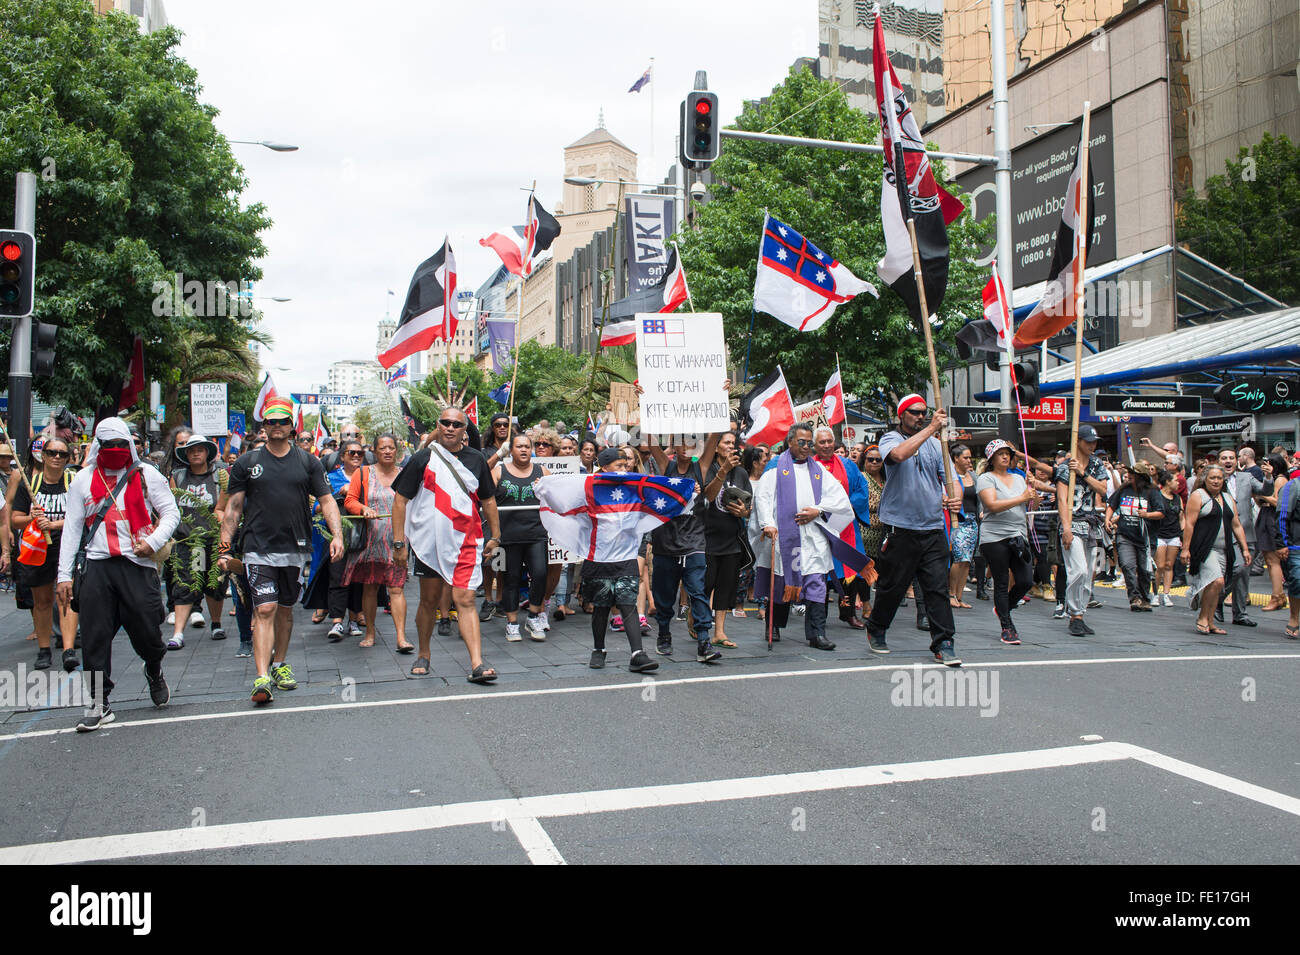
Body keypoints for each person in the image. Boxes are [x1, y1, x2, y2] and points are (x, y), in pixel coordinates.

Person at [56, 418, 180, 731]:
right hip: (97, 566)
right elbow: (71, 529)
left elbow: (171, 513)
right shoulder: (82, 480)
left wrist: (151, 542)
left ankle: (153, 667)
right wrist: (63, 576)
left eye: (119, 444)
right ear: (97, 445)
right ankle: (99, 702)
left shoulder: (146, 475)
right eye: (107, 444)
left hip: (137, 565)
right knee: (95, 635)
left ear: (129, 444)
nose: (113, 450)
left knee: (148, 631)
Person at [219, 397, 343, 705]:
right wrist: (224, 546)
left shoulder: (307, 462)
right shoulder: (247, 463)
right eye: (271, 422)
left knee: (285, 610)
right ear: (264, 426)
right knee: (265, 609)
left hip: (296, 548)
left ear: (292, 426)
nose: (277, 427)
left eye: (282, 422)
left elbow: (327, 500)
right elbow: (233, 506)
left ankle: (279, 664)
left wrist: (337, 535)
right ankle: (261, 677)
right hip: (256, 548)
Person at [536, 446, 680, 673]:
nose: (625, 469)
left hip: (626, 557)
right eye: (619, 466)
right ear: (605, 467)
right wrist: (544, 488)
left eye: (626, 465)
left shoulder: (636, 486)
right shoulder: (589, 486)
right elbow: (562, 501)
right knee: (601, 608)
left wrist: (687, 492)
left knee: (627, 605)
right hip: (598, 558)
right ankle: (598, 649)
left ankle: (637, 654)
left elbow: (662, 491)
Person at [392, 406, 501, 684]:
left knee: (464, 599)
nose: (450, 428)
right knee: (428, 601)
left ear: (465, 430)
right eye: (445, 423)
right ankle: (424, 654)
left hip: (466, 541)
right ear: (438, 426)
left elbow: (488, 500)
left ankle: (476, 664)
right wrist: (399, 543)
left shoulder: (476, 459)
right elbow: (400, 500)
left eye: (457, 424)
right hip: (428, 543)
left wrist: (496, 537)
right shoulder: (422, 459)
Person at [864, 395, 962, 665]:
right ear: (902, 415)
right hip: (900, 528)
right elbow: (898, 456)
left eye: (924, 412)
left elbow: (952, 479)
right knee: (892, 587)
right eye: (915, 413)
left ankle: (944, 642)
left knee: (937, 588)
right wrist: (932, 427)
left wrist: (955, 496)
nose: (920, 417)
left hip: (932, 528)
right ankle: (877, 627)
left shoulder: (937, 445)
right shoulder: (889, 439)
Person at [755, 423, 863, 651]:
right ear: (790, 442)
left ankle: (817, 633)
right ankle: (773, 627)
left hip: (813, 538)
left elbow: (840, 501)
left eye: (808, 443)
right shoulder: (776, 468)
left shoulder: (819, 471)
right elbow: (763, 499)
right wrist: (768, 524)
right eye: (801, 442)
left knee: (816, 585)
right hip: (785, 538)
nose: (805, 447)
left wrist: (819, 510)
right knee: (783, 584)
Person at [644, 433, 722, 661]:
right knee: (664, 593)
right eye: (682, 444)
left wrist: (721, 400)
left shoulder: (701, 468)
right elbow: (651, 442)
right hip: (665, 542)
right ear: (675, 447)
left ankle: (704, 641)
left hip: (694, 542)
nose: (687, 448)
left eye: (692, 444)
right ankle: (664, 634)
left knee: (697, 591)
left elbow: (713, 439)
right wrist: (645, 406)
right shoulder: (666, 466)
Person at [12, 436, 78, 671]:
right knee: (41, 601)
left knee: (67, 596)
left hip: (66, 545)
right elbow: (15, 519)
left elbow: (81, 517)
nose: (57, 457)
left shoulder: (75, 481)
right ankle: (43, 649)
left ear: (69, 458)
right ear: (43, 455)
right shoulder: (30, 484)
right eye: (52, 453)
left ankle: (68, 649)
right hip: (38, 548)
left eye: (62, 454)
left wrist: (55, 525)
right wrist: (32, 518)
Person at [344, 433, 414, 652]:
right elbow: (350, 501)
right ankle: (370, 632)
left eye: (391, 447)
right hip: (370, 541)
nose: (387, 451)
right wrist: (363, 509)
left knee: (396, 587)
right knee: (370, 588)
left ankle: (401, 637)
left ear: (397, 451)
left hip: (397, 542)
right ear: (374, 451)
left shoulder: (405, 475)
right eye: (382, 448)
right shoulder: (363, 473)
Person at [167, 434, 228, 648]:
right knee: (186, 584)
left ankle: (217, 623)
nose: (195, 453)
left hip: (212, 542)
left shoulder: (219, 477)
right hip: (187, 542)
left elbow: (222, 509)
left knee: (215, 585)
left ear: (207, 453)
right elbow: (171, 507)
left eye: (200, 449)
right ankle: (178, 634)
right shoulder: (178, 476)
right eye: (191, 450)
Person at [812, 426, 873, 630]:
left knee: (849, 573)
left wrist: (844, 504)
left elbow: (861, 491)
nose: (827, 445)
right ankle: (819, 615)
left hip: (846, 526)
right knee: (820, 573)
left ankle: (848, 613)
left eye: (830, 441)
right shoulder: (808, 466)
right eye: (822, 442)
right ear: (815, 445)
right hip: (818, 526)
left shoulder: (848, 465)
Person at [304, 437, 366, 639]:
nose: (356, 456)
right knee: (337, 575)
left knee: (357, 579)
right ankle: (337, 621)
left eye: (360, 453)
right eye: (352, 453)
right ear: (342, 456)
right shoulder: (329, 478)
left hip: (362, 536)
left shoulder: (368, 477)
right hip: (334, 535)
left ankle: (355, 619)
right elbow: (317, 507)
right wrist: (340, 496)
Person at [491, 432, 551, 642]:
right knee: (511, 579)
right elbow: (487, 500)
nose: (524, 450)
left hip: (536, 534)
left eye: (527, 446)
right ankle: (512, 623)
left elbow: (554, 498)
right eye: (519, 446)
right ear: (512, 450)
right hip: (507, 538)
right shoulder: (499, 471)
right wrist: (493, 535)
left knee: (541, 574)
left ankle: (533, 616)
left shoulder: (542, 471)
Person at [976, 439, 1036, 644]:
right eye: (1000, 453)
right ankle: (1007, 626)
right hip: (994, 537)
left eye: (1008, 453)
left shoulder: (1019, 479)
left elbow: (1032, 503)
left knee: (1025, 580)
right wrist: (1022, 498)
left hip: (1018, 534)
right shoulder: (986, 478)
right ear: (991, 458)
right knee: (1001, 581)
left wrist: (1033, 489)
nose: (1005, 456)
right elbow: (991, 505)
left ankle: (1004, 608)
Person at [1181, 464, 1250, 636]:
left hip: (1224, 549)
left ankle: (1210, 621)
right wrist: (1185, 549)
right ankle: (1203, 618)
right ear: (1205, 479)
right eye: (1212, 477)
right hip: (1205, 548)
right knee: (1217, 581)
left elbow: (1236, 525)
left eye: (1219, 478)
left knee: (1218, 585)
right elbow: (1189, 523)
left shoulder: (1227, 497)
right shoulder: (1198, 495)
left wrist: (1245, 549)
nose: (1216, 481)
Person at [1055, 424, 1109, 637]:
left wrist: (1083, 473)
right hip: (1072, 522)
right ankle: (1072, 609)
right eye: (1088, 442)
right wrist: (1066, 528)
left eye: (1095, 442)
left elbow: (1103, 490)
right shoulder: (1064, 467)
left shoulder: (1096, 465)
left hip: (1091, 523)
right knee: (1078, 570)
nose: (1092, 445)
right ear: (1078, 442)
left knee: (1089, 574)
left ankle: (1079, 615)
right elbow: (1061, 498)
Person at [703, 431, 752, 649]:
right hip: (706, 538)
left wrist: (744, 512)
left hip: (732, 538)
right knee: (705, 584)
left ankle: (719, 632)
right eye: (726, 443)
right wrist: (723, 471)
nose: (731, 446)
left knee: (726, 586)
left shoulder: (741, 473)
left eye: (734, 443)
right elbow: (708, 496)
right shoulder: (707, 468)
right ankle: (697, 621)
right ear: (715, 447)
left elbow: (749, 506)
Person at [1104, 460, 1162, 612]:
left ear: (1141, 477)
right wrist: (1107, 519)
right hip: (1125, 535)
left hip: (1145, 538)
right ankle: (1134, 597)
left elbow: (1161, 512)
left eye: (1133, 474)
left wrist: (1147, 514)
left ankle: (1144, 597)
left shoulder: (1152, 492)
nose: (1129, 476)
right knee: (1127, 566)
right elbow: (1111, 505)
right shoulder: (1123, 490)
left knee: (1144, 570)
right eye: (1129, 473)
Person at [1216, 448, 1261, 628]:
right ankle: (1216, 600)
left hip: (1247, 531)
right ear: (1219, 461)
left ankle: (1240, 614)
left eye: (1231, 458)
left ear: (1237, 461)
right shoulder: (1214, 479)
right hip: (1223, 533)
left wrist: (1268, 477)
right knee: (1238, 568)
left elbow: (1264, 489)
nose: (1228, 461)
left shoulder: (1246, 477)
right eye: (1224, 458)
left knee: (1243, 574)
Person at [1256, 454, 1290, 613]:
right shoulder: (1273, 478)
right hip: (1267, 517)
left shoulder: (1280, 479)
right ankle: (1278, 595)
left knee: (1272, 560)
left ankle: (1277, 596)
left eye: (1267, 464)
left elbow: (1279, 502)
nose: (1264, 467)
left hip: (1271, 519)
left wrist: (1262, 497)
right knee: (1270, 560)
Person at [947, 443, 979, 608]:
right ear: (956, 458)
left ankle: (959, 596)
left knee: (967, 560)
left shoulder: (973, 476)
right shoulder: (950, 476)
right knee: (958, 558)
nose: (968, 460)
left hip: (973, 521)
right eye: (965, 457)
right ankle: (951, 593)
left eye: (969, 457)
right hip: (957, 521)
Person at [1150, 469, 1184, 606]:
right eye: (1175, 480)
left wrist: (1183, 534)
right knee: (1160, 566)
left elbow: (1181, 518)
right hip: (1159, 534)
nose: (1178, 483)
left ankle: (1166, 594)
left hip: (1174, 534)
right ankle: (1155, 593)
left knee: (1170, 565)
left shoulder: (1178, 498)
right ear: (1168, 482)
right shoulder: (1157, 495)